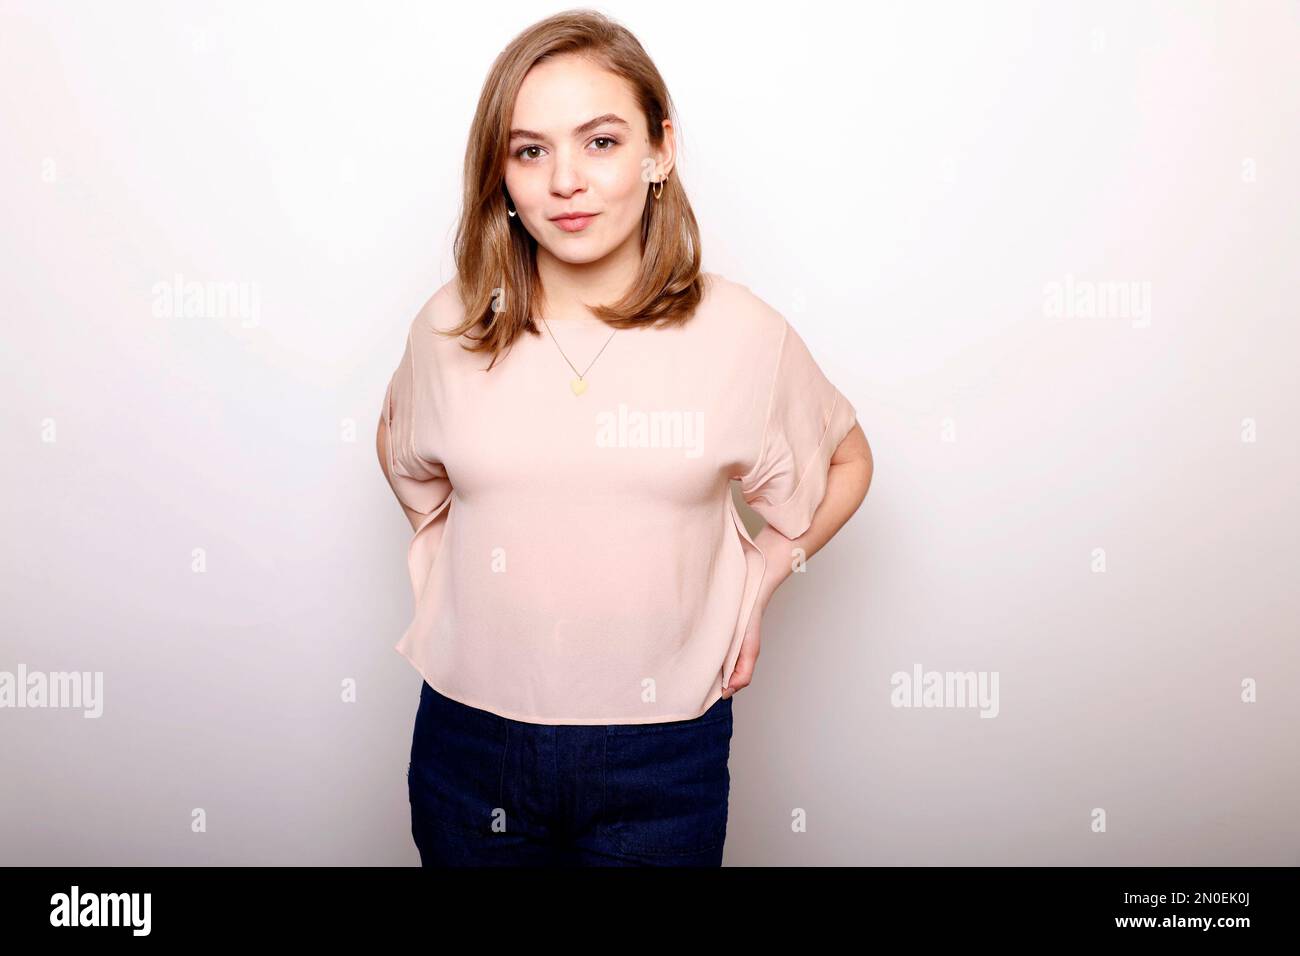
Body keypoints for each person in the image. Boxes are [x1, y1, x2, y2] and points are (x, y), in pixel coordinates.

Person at [377, 10, 874, 867]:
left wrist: (761, 572)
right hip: (470, 750)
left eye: (600, 142)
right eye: (530, 150)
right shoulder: (451, 325)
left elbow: (845, 459)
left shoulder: (739, 333)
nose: (565, 180)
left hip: (662, 758)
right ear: (501, 173)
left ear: (660, 151)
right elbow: (409, 466)